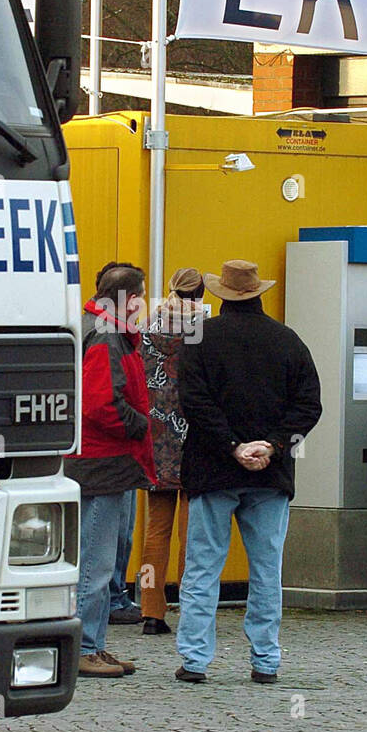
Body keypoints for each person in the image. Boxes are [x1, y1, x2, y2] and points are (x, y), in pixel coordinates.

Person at [175, 260, 321, 684]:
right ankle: (266, 661)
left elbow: (193, 401)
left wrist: (231, 445)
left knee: (202, 569)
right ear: (260, 294)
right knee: (266, 570)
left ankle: (196, 660)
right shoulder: (288, 341)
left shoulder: (201, 338)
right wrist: (272, 445)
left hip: (214, 470)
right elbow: (309, 405)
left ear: (221, 296)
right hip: (270, 477)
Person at [67, 262, 156, 676]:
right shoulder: (106, 337)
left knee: (95, 561)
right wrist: (140, 425)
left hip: (97, 463)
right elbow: (101, 403)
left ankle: (95, 645)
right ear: (133, 298)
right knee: (96, 565)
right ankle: (86, 648)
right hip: (103, 464)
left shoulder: (98, 328)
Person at [138, 267, 208, 635]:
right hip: (195, 437)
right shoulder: (204, 331)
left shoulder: (148, 325)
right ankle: (190, 607)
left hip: (156, 438)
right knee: (192, 531)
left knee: (156, 530)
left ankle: (151, 610)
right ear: (200, 294)